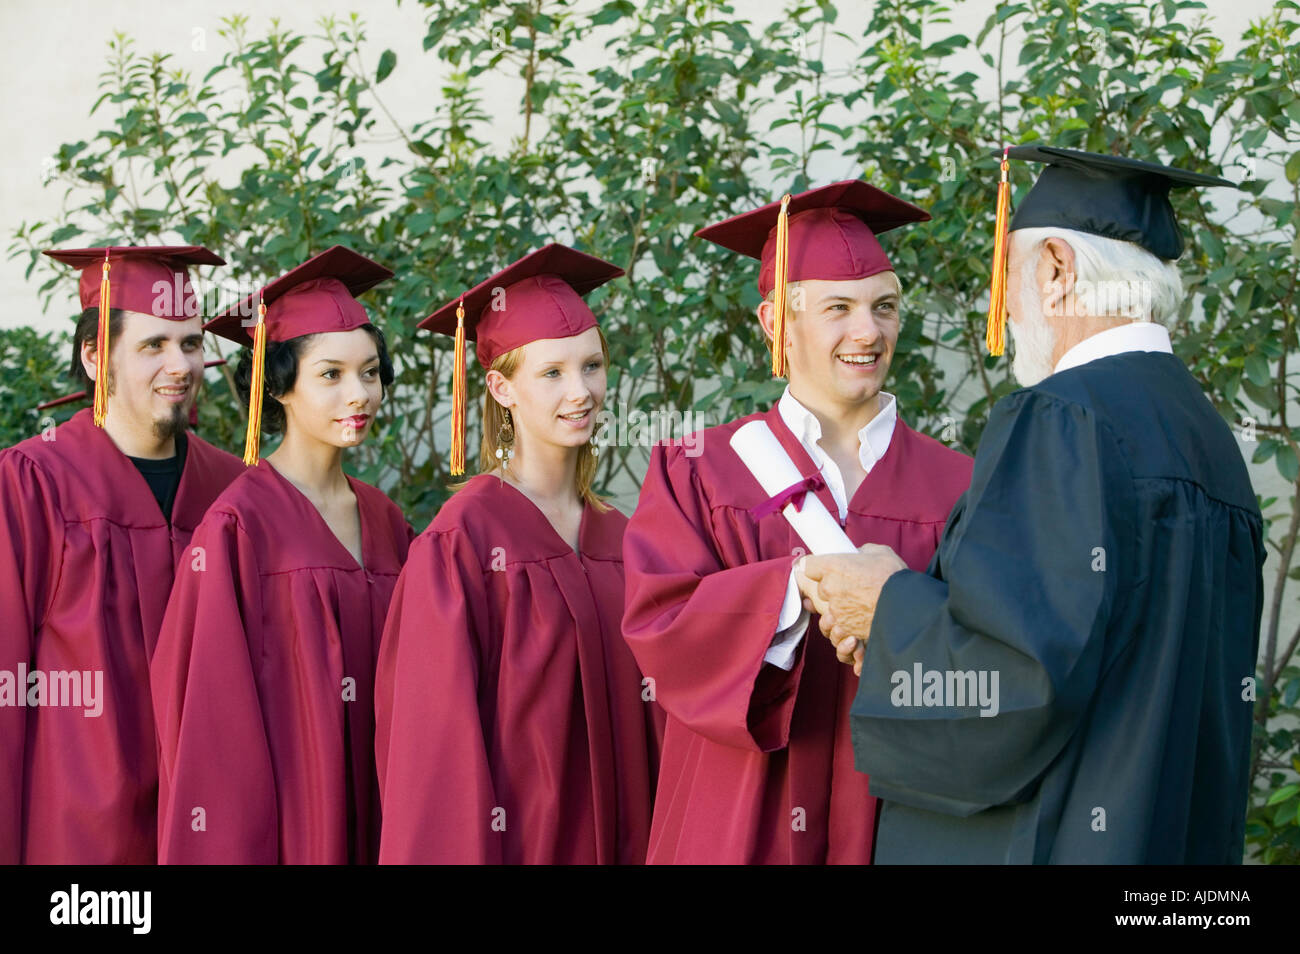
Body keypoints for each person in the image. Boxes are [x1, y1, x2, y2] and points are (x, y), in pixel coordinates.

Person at [802, 146, 1265, 863]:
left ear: (1055, 268)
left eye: (1011, 281)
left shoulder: (1063, 419)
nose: (1011, 307)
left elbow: (1018, 682)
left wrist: (887, 605)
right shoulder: (1208, 439)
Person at [620, 182, 974, 863]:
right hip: (741, 816)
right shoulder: (700, 469)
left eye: (885, 307)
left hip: (899, 818)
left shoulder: (959, 486)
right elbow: (660, 627)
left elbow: (989, 655)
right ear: (775, 322)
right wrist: (794, 586)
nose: (867, 332)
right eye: (838, 309)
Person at [375, 243, 661, 864]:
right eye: (552, 373)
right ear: (502, 388)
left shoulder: (623, 537)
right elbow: (436, 753)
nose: (581, 391)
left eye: (592, 366)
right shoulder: (463, 543)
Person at [151, 245, 413, 864]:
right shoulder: (239, 528)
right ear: (280, 385)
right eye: (331, 374)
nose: (360, 394)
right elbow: (212, 725)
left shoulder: (388, 520)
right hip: (297, 822)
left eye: (370, 372)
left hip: (387, 806)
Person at [0, 245, 244, 863]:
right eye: (153, 345)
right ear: (93, 355)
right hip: (78, 833)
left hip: (208, 820)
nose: (180, 364)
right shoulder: (34, 481)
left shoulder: (233, 491)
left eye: (190, 345)